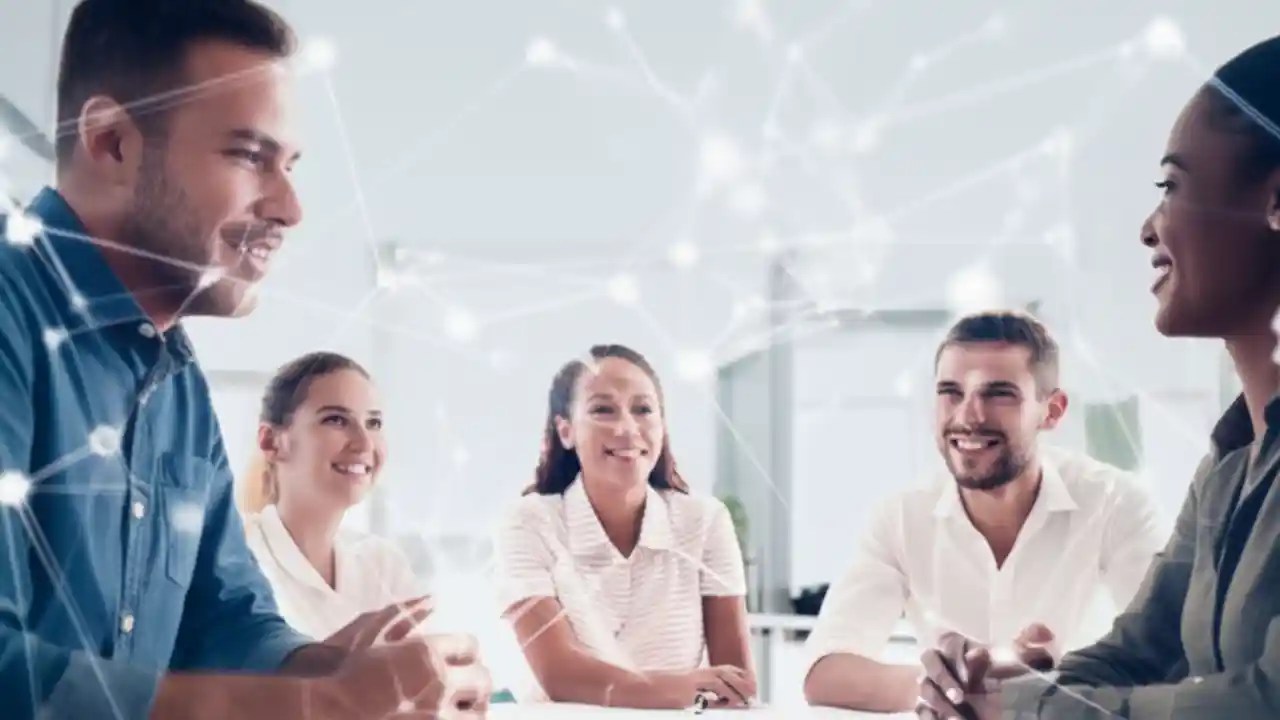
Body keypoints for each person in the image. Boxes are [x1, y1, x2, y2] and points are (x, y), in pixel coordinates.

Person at [0, 1, 487, 718]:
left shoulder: (177, 383)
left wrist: (331, 665)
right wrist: (318, 705)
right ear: (111, 143)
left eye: (289, 165)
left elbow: (223, 619)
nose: (291, 208)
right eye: (249, 156)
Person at [917, 34, 1280, 720]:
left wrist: (1033, 709)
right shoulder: (1232, 462)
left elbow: (1265, 702)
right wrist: (997, 682)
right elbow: (1139, 650)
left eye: (1171, 187)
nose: (1149, 228)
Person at [804, 311, 1166, 713]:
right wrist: (936, 686)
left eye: (998, 393)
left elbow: (1169, 659)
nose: (969, 416)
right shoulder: (901, 516)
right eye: (951, 392)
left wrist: (1052, 689)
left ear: (1053, 411)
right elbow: (825, 671)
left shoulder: (1116, 504)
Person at [494, 344, 756, 708]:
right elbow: (560, 677)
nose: (627, 428)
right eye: (603, 410)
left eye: (643, 409)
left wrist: (682, 691)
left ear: (661, 427)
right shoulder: (529, 521)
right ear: (566, 431)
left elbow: (737, 686)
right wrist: (685, 687)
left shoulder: (705, 521)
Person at [238, 351, 423, 640]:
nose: (364, 443)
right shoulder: (236, 558)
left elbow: (435, 673)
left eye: (373, 423)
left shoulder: (383, 564)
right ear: (271, 441)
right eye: (336, 420)